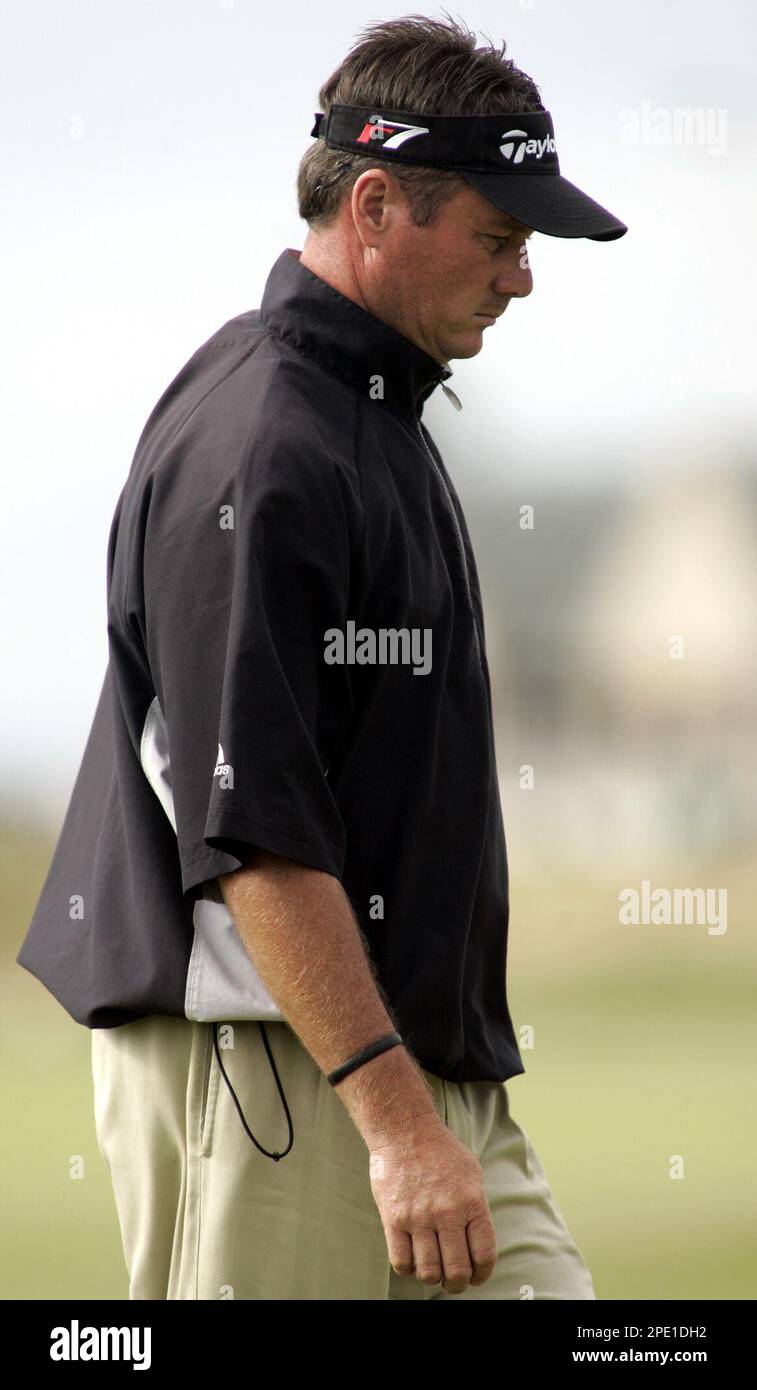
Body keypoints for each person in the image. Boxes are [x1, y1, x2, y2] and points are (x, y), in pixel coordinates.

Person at [17, 14, 627, 1300]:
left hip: (405, 1073)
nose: (522, 278)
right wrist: (398, 1124)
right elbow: (253, 835)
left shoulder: (370, 412)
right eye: (501, 237)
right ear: (372, 205)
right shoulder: (265, 447)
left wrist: (429, 1105)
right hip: (282, 1079)